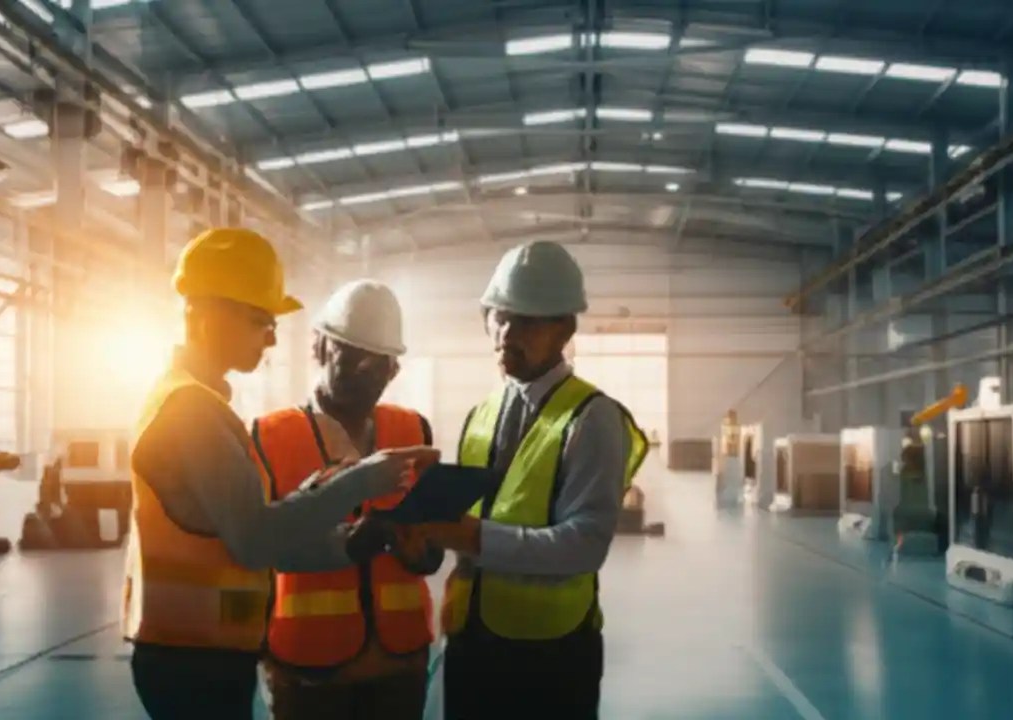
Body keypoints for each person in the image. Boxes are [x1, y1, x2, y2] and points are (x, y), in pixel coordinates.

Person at [122, 229, 438, 720]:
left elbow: (245, 531)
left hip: (198, 653)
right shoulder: (190, 411)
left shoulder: (195, 403)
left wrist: (352, 541)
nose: (271, 337)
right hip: (194, 659)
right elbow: (255, 539)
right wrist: (361, 482)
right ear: (208, 317)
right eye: (259, 320)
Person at [415, 240, 649, 720]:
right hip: (471, 639)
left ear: (564, 328)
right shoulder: (482, 414)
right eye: (498, 317)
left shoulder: (591, 417)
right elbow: (472, 521)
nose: (505, 333)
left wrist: (470, 535)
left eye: (525, 321)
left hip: (551, 654)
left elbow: (584, 544)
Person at [252, 279, 442, 719]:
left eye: (380, 364)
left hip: (400, 663)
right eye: (350, 355)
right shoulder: (269, 436)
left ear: (394, 371)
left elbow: (435, 535)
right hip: (308, 670)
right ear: (318, 347)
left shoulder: (415, 430)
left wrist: (425, 552)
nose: (364, 371)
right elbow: (258, 545)